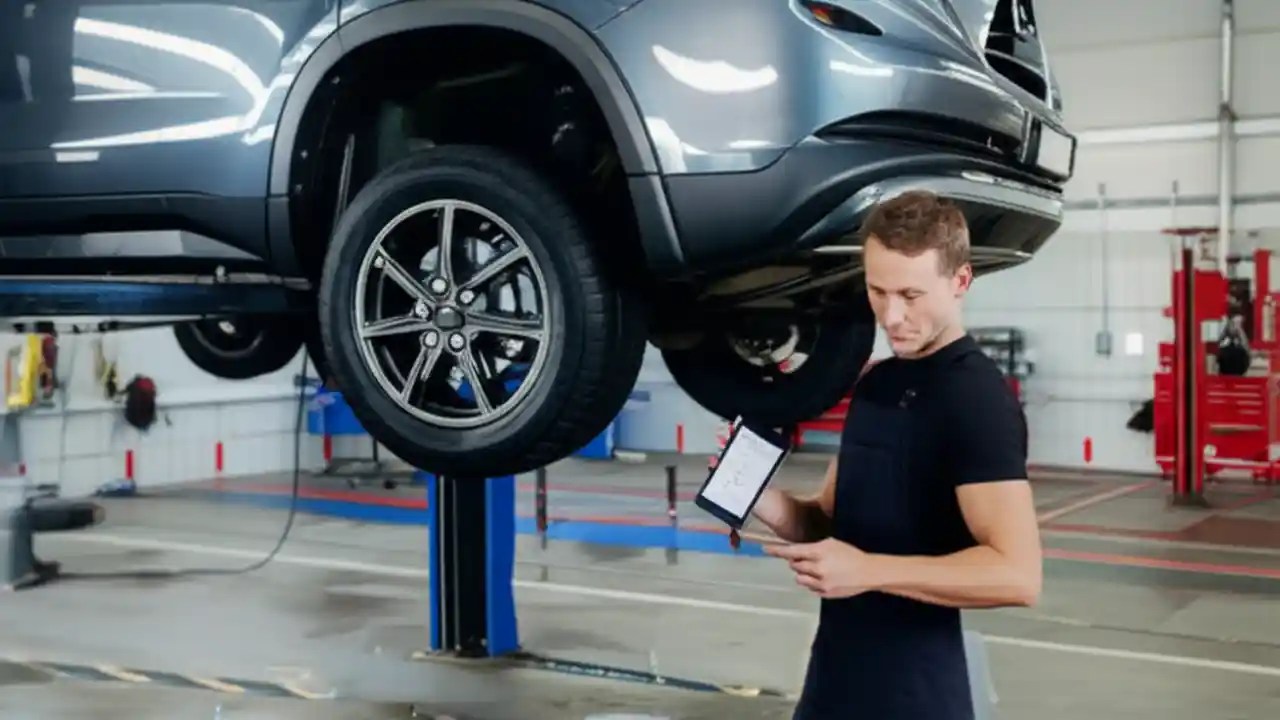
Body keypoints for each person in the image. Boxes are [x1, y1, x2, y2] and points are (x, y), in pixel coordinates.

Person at [751, 189, 1042, 720]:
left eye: (911, 294)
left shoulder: (976, 401)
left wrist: (869, 571)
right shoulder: (876, 385)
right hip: (832, 685)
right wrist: (757, 497)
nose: (891, 316)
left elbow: (1017, 574)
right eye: (877, 291)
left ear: (960, 281)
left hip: (915, 696)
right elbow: (829, 525)